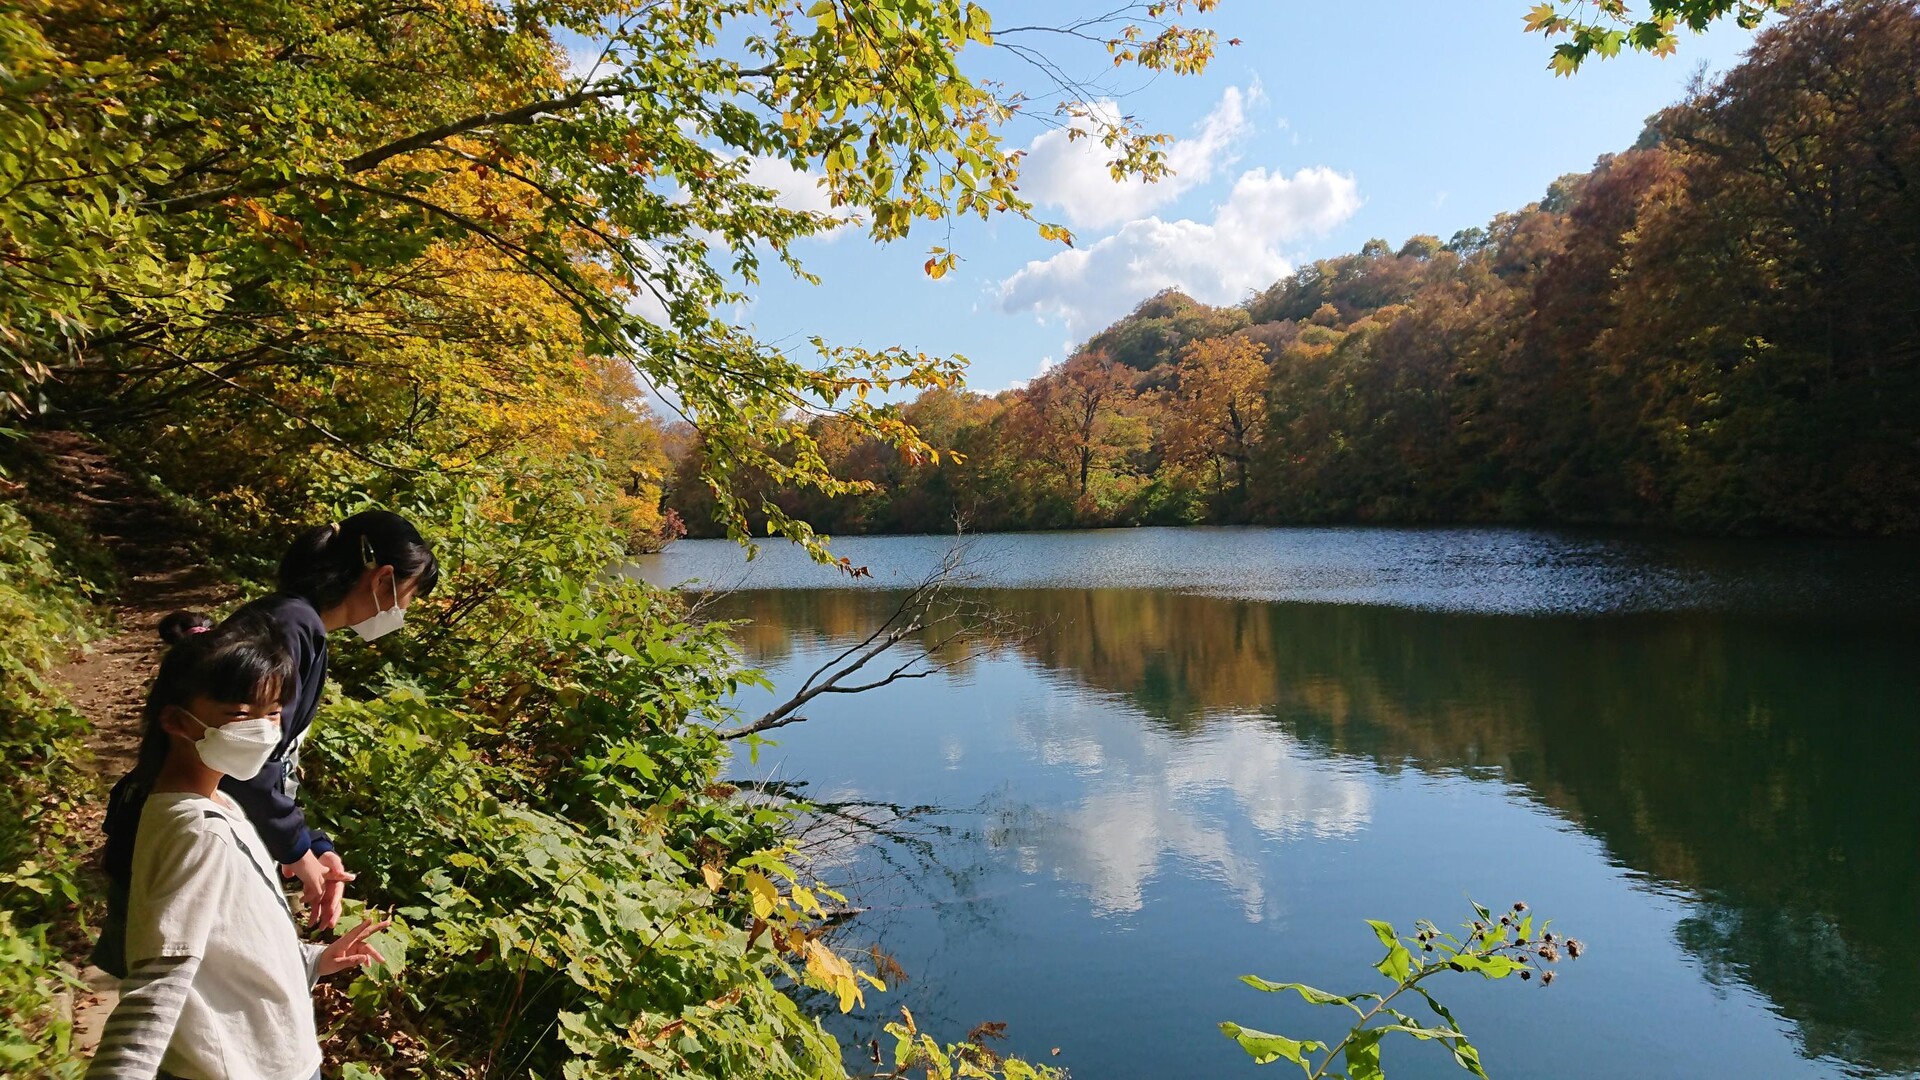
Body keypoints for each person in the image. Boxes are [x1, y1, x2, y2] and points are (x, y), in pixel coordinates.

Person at [88, 612, 390, 1080]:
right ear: (176, 721)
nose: (266, 730)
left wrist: (309, 961)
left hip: (273, 1056)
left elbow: (225, 942)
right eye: (241, 715)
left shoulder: (220, 802)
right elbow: (157, 983)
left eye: (274, 713)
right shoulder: (195, 829)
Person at [224, 510, 439, 930]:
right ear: (381, 579)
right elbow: (246, 754)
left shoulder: (302, 627)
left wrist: (311, 842)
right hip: (203, 826)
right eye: (408, 596)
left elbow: (273, 758)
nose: (403, 612)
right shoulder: (291, 627)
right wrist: (296, 850)